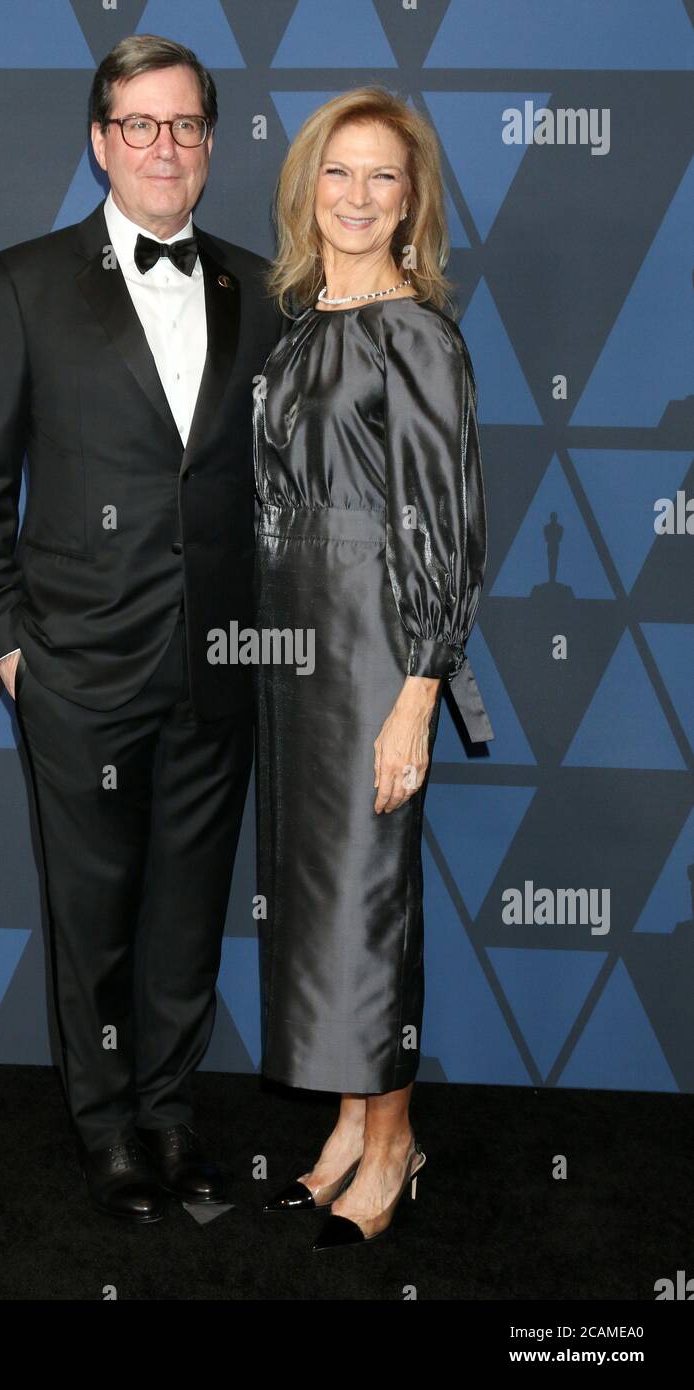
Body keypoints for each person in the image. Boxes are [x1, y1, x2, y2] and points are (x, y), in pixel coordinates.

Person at [0, 35, 282, 1223]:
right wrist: (9, 646)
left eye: (184, 125)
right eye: (138, 125)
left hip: (222, 669)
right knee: (93, 919)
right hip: (76, 670)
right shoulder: (23, 281)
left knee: (189, 910)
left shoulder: (260, 286)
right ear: (99, 141)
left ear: (209, 143)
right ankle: (106, 1129)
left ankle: (172, 1115)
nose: (163, 147)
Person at [253, 87, 494, 1251]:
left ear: (413, 202)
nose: (355, 197)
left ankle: (393, 1141)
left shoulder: (415, 333)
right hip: (292, 649)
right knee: (318, 905)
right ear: (309, 188)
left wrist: (416, 694)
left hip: (373, 651)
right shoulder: (303, 321)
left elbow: (444, 528)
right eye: (336, 174)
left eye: (381, 178)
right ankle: (350, 1120)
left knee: (368, 902)